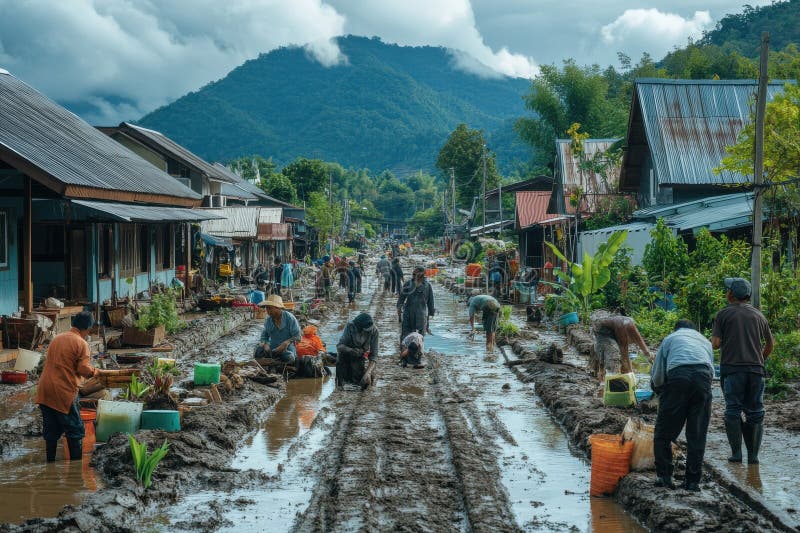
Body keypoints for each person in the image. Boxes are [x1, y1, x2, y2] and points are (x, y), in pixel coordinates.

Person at [712, 277, 773, 464]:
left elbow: (715, 344)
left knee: (733, 409)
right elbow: (770, 344)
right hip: (756, 371)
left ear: (730, 294)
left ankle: (736, 454)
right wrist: (760, 359)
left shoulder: (723, 315)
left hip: (732, 370)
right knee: (756, 412)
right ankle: (753, 456)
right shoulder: (759, 315)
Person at [650, 320, 715, 491]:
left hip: (678, 377)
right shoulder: (705, 341)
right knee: (697, 434)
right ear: (693, 330)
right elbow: (711, 371)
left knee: (663, 432)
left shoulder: (670, 339)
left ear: (676, 329)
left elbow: (657, 375)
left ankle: (664, 477)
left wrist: (660, 391)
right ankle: (692, 481)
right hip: (703, 379)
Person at [35, 311, 101, 462]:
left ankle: (49, 463)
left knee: (51, 431)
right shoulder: (81, 343)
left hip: (45, 390)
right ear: (87, 328)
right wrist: (96, 372)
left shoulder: (57, 338)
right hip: (63, 392)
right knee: (75, 431)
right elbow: (83, 369)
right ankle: (75, 469)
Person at [336, 312, 379, 389]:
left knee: (361, 382)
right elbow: (339, 346)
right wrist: (351, 350)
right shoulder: (350, 326)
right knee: (343, 383)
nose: (365, 332)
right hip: (346, 355)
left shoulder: (374, 331)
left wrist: (368, 373)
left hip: (359, 357)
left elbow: (374, 356)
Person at [256, 294, 301, 364]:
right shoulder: (268, 320)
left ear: (278, 308)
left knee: (290, 358)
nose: (267, 311)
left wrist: (286, 342)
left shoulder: (289, 318)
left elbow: (298, 336)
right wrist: (266, 344)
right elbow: (264, 336)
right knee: (258, 352)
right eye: (267, 308)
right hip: (273, 348)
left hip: (287, 349)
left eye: (270, 308)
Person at [397, 266, 435, 340]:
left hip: (421, 316)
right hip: (408, 314)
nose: (416, 278)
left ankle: (417, 350)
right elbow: (401, 298)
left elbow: (430, 302)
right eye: (414, 275)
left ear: (423, 276)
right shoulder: (408, 284)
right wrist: (399, 308)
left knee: (420, 338)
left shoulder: (427, 286)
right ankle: (404, 349)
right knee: (406, 335)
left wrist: (430, 315)